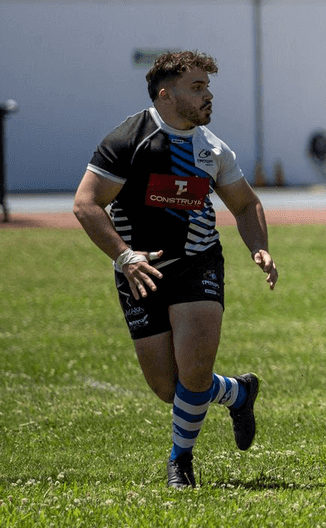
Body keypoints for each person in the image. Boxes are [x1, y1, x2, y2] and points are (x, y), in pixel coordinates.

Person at [72, 50, 278, 488]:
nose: (209, 97)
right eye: (198, 87)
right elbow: (86, 204)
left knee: (194, 374)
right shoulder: (129, 141)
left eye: (208, 87)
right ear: (166, 94)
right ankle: (239, 392)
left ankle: (180, 462)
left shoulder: (213, 148)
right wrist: (124, 256)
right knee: (170, 388)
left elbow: (245, 204)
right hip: (139, 271)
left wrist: (258, 247)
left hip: (198, 264)